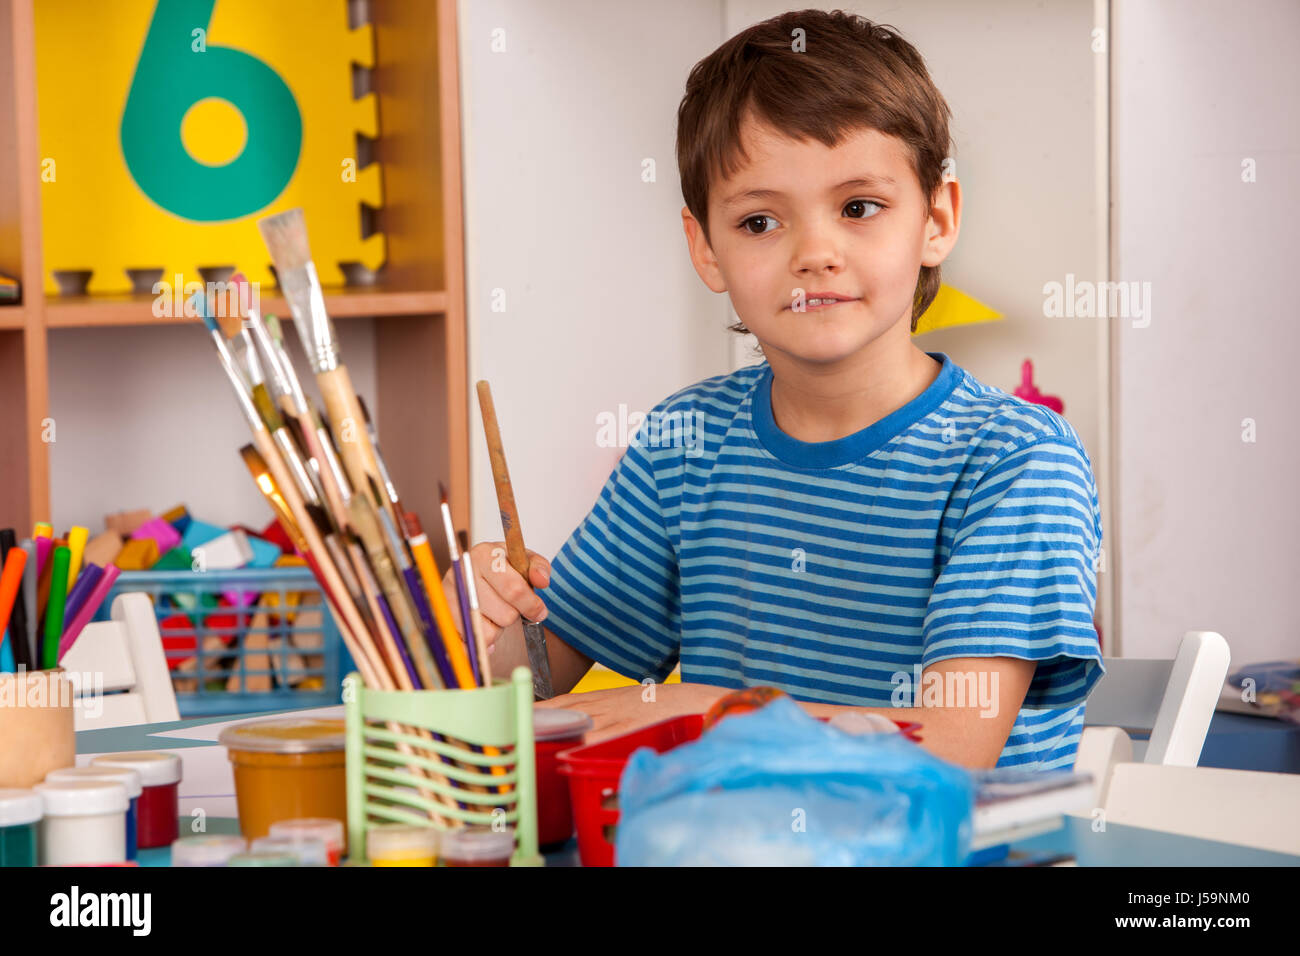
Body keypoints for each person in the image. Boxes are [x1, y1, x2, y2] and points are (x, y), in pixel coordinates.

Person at [448, 8, 1102, 771]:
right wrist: (478, 616)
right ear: (706, 249)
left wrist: (708, 711)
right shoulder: (683, 442)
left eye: (859, 208)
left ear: (938, 218)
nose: (815, 253)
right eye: (760, 221)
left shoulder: (1016, 463)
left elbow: (950, 749)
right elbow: (518, 689)